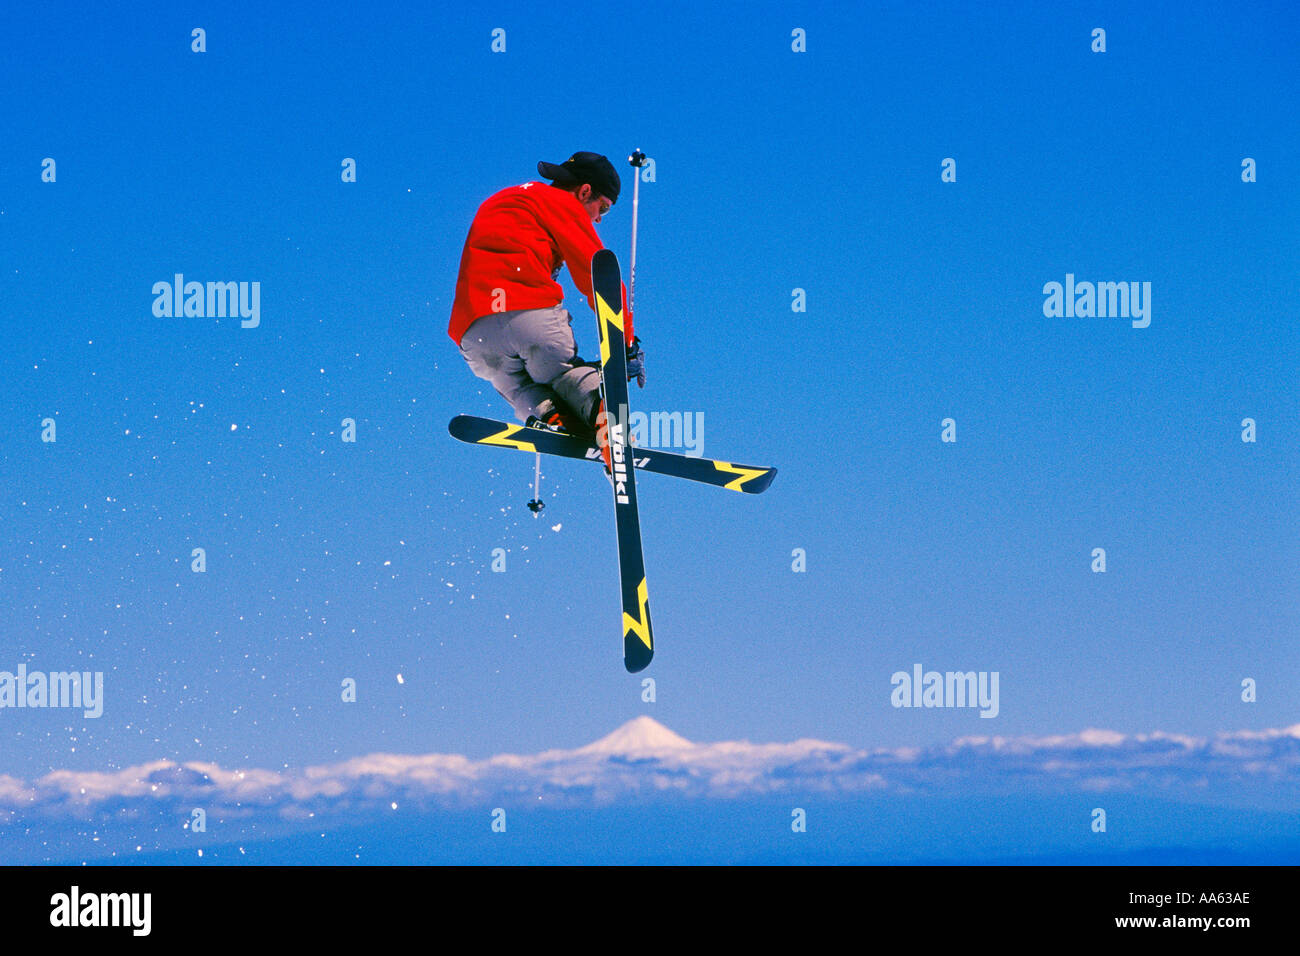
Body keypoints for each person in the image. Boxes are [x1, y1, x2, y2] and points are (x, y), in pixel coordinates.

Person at [448, 151, 646, 452]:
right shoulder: (561, 202)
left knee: (519, 387)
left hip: (474, 335)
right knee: (563, 372)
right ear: (585, 191)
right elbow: (594, 271)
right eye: (601, 207)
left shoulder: (503, 199)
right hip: (529, 311)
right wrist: (626, 340)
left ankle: (551, 418)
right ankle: (607, 425)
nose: (598, 218)